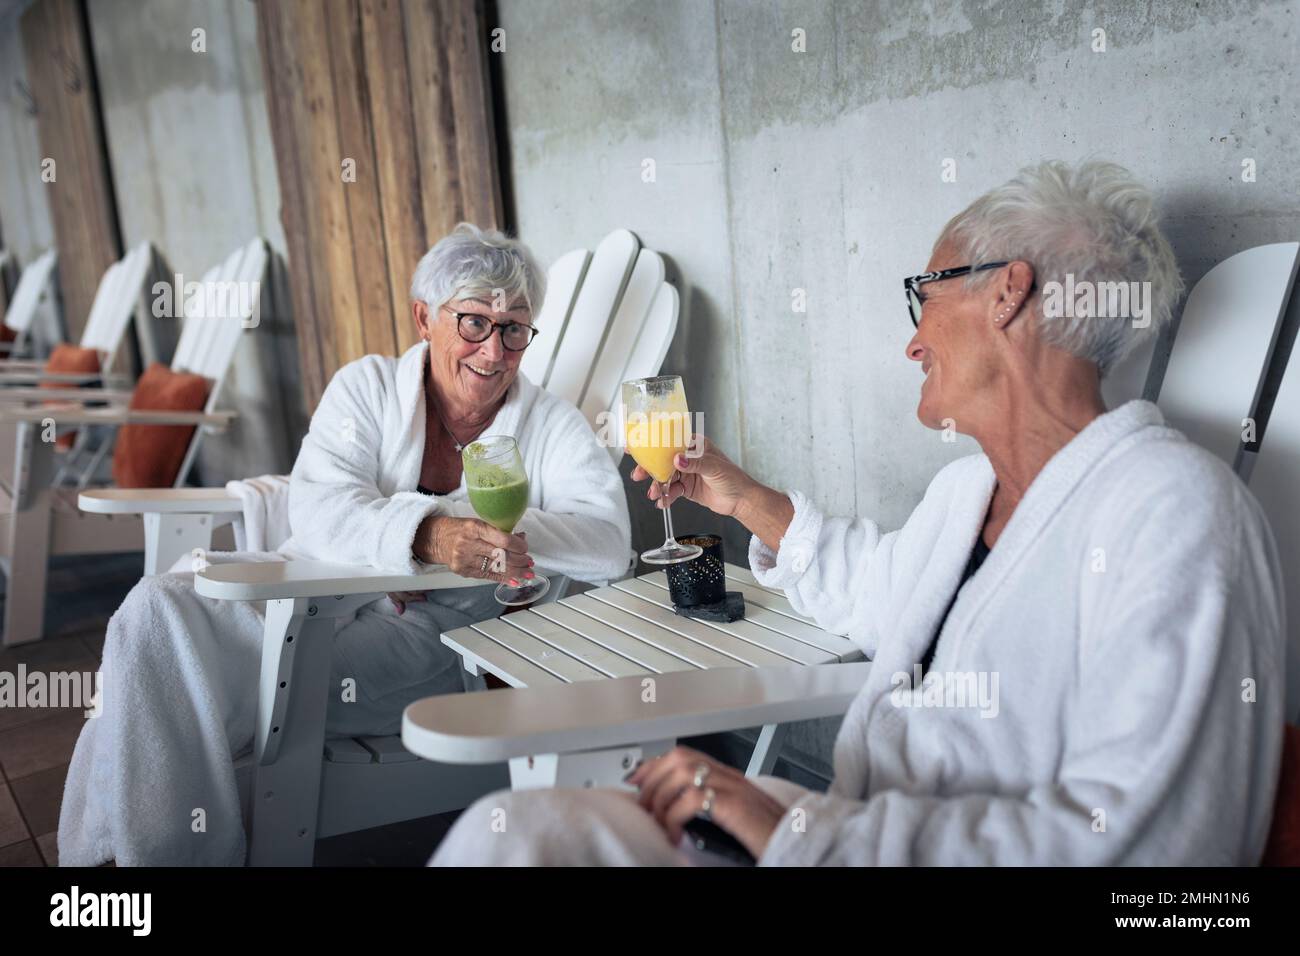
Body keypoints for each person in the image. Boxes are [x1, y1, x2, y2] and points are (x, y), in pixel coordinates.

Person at [431, 161, 1286, 866]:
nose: (913, 340)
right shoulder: (968, 495)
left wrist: (804, 834)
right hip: (838, 836)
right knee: (514, 838)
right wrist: (742, 499)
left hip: (855, 845)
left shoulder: (1176, 515)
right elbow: (884, 594)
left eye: (926, 294)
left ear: (1007, 296)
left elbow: (1157, 852)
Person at [59, 224, 632, 865]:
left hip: (430, 642)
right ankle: (156, 850)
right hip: (313, 590)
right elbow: (318, 502)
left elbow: (608, 543)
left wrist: (499, 529)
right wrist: (428, 533)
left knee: (192, 688)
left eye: (514, 330)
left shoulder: (551, 424)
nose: (494, 352)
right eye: (473, 323)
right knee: (153, 612)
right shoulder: (367, 388)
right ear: (424, 317)